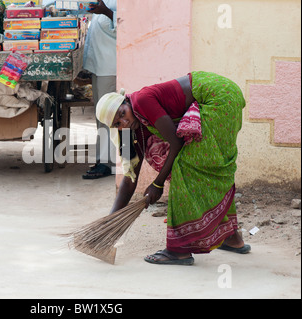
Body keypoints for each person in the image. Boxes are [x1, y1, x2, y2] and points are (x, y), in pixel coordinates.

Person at [96, 71, 251, 265]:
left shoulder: (142, 101)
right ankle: (232, 238)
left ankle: (179, 250)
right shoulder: (128, 132)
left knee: (184, 168)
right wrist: (110, 224)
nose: (124, 122)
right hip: (219, 95)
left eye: (122, 114)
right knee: (204, 169)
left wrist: (157, 184)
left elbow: (176, 143)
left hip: (219, 97)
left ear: (126, 101)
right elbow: (130, 177)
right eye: (117, 124)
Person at [81, 0, 117, 179]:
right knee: (101, 116)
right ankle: (105, 160)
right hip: (99, 66)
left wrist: (106, 12)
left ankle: (107, 163)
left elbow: (125, 26)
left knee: (107, 116)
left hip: (110, 67)